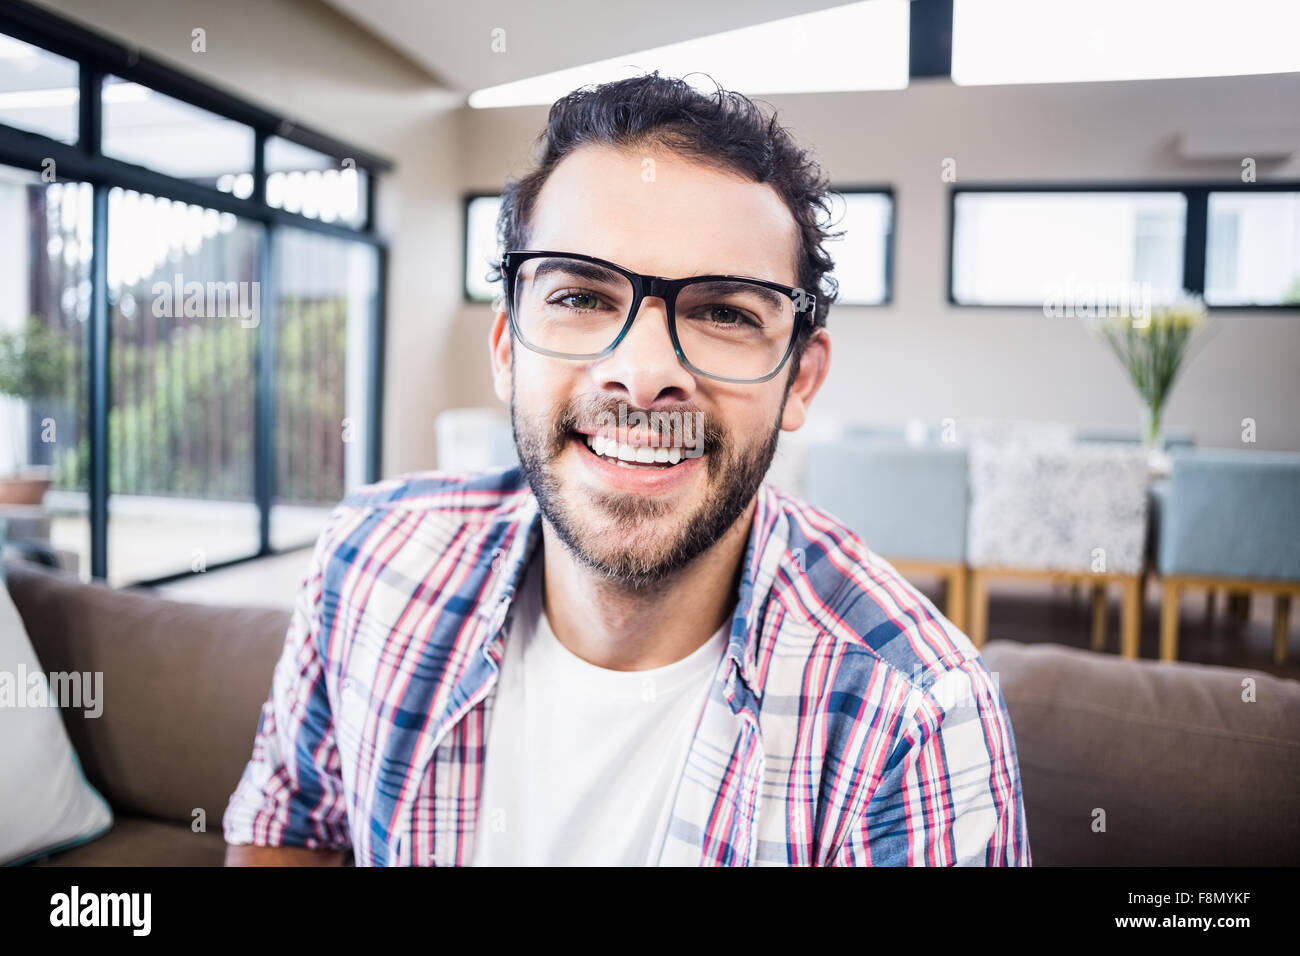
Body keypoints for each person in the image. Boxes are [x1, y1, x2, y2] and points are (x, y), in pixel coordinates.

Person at [223, 71, 1030, 866]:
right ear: (508, 348)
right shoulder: (367, 560)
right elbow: (290, 828)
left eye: (723, 311)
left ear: (801, 377)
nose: (643, 376)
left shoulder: (920, 719)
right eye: (581, 296)